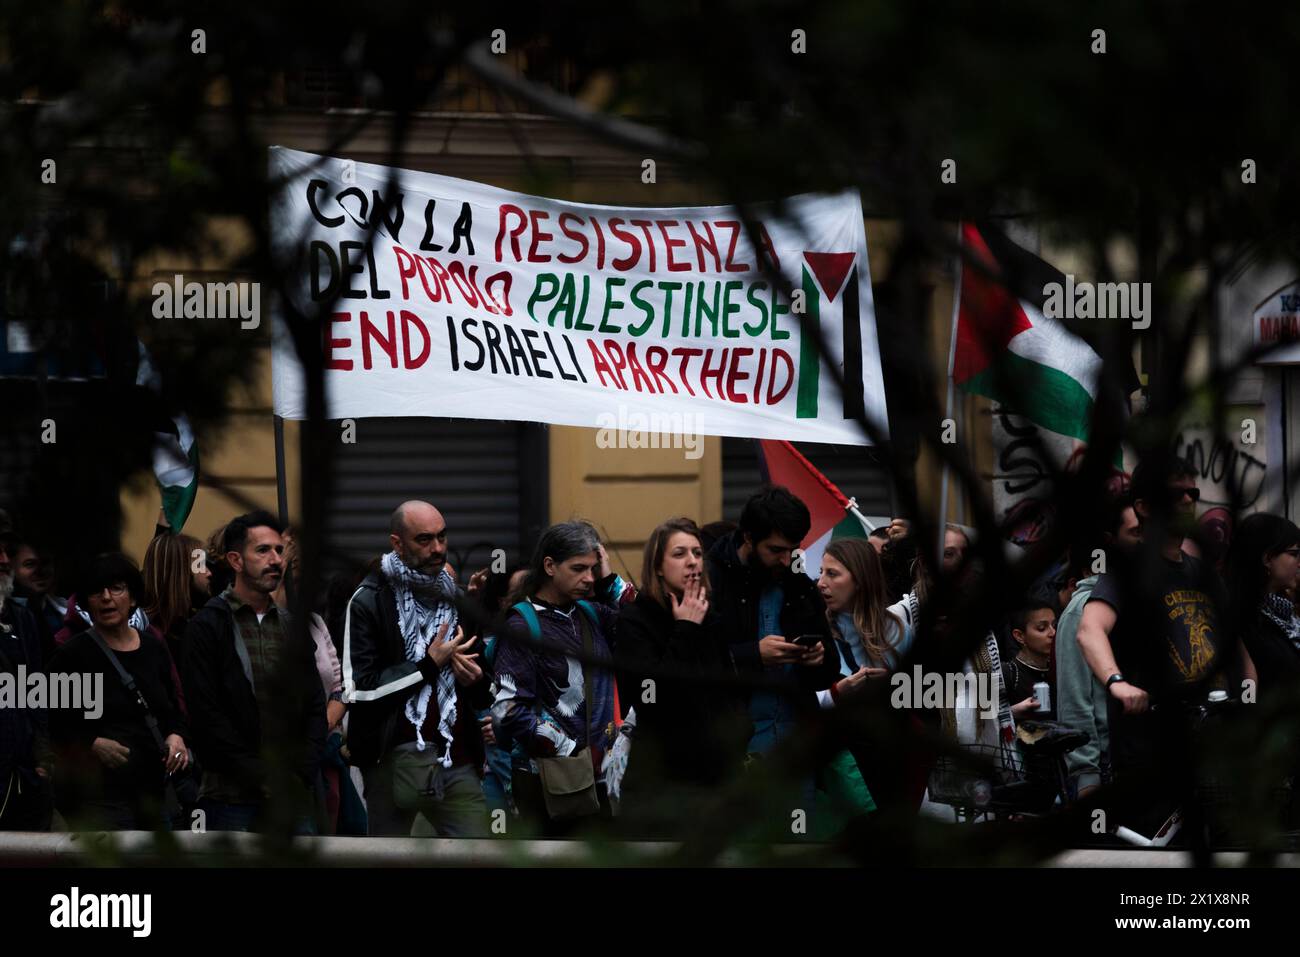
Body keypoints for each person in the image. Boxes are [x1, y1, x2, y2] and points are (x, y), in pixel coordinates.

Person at [1076, 459, 1234, 836]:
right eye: (1173, 493)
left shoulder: (1202, 572)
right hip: (1151, 752)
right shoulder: (1128, 572)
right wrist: (1118, 682)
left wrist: (1248, 691)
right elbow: (1089, 629)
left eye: (1192, 493)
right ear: (1144, 507)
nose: (1186, 501)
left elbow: (1234, 644)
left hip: (1210, 745)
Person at [342, 501, 492, 837]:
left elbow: (485, 686)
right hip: (392, 762)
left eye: (442, 537)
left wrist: (478, 679)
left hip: (457, 757)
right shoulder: (369, 600)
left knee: (479, 856)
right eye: (424, 540)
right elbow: (361, 690)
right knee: (389, 859)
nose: (437, 549)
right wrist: (427, 664)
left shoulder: (457, 600)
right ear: (397, 543)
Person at [181, 510, 326, 832]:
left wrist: (300, 772)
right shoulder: (208, 625)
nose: (275, 559)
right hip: (230, 798)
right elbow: (207, 716)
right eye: (262, 550)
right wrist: (258, 775)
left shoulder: (292, 626)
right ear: (235, 560)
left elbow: (315, 705)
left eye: (278, 550)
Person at [705, 487, 841, 822]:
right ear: (748, 538)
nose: (787, 558)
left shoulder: (799, 584)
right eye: (776, 549)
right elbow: (692, 664)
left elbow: (829, 671)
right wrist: (753, 655)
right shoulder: (708, 582)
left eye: (793, 550)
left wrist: (816, 658)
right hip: (735, 754)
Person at [491, 521, 635, 835]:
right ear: (549, 566)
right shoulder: (521, 626)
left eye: (593, 568)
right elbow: (506, 710)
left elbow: (644, 626)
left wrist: (611, 581)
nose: (588, 578)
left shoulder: (593, 613)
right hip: (548, 782)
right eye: (579, 568)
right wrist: (566, 747)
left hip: (602, 780)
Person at [612, 518, 750, 834]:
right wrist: (684, 629)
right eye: (679, 554)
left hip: (716, 782)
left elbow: (728, 690)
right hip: (663, 786)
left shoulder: (709, 615)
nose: (692, 562)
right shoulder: (636, 620)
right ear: (658, 566)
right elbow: (652, 698)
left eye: (698, 553)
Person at [48, 553, 189, 830]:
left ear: (133, 598)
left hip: (154, 795)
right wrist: (92, 742)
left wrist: (176, 736)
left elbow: (173, 708)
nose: (106, 597)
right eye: (96, 591)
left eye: (116, 588)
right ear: (87, 602)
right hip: (101, 802)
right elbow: (50, 721)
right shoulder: (71, 656)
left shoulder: (154, 648)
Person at [816, 537, 915, 813]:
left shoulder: (896, 629)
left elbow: (920, 695)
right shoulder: (818, 631)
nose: (821, 583)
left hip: (889, 759)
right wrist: (839, 693)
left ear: (859, 580)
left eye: (832, 574)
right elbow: (803, 700)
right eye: (821, 573)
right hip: (842, 764)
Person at [274, 527, 359, 835]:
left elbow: (341, 686)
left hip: (324, 749)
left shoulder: (315, 622)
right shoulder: (267, 623)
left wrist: (319, 726)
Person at [1056, 495, 1141, 799]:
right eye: (1136, 532)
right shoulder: (1083, 609)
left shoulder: (1142, 597)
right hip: (1109, 768)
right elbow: (1075, 701)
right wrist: (1087, 776)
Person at [0, 517, 54, 830]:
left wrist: (43, 756)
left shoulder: (22, 617)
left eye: (7, 551)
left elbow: (37, 690)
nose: (4, 560)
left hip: (25, 778)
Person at [1226, 512, 1300, 693]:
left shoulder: (1285, 611)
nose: (1299, 563)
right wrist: (1249, 709)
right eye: (1294, 554)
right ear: (1267, 559)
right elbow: (1247, 691)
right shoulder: (1245, 622)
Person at [141, 531, 210, 671]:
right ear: (181, 570)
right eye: (201, 564)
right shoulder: (144, 634)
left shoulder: (194, 625)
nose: (209, 572)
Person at [1003, 603, 1057, 720]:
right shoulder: (1007, 674)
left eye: (1055, 626)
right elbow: (982, 721)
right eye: (1041, 628)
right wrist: (1012, 712)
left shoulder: (1059, 671)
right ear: (1019, 636)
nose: (1053, 633)